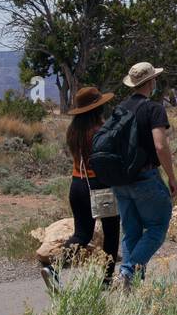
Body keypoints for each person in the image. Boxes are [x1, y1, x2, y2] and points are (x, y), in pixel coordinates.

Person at [45, 86, 122, 291]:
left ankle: (54, 267)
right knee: (112, 231)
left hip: (77, 184)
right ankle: (106, 280)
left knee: (81, 234)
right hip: (99, 186)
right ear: (96, 109)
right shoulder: (99, 132)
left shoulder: (74, 131)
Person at [111, 61, 177, 287]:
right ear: (151, 82)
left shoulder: (120, 108)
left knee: (131, 233)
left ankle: (130, 289)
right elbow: (160, 146)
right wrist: (171, 176)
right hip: (146, 178)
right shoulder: (154, 108)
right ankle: (127, 273)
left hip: (120, 180)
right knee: (157, 228)